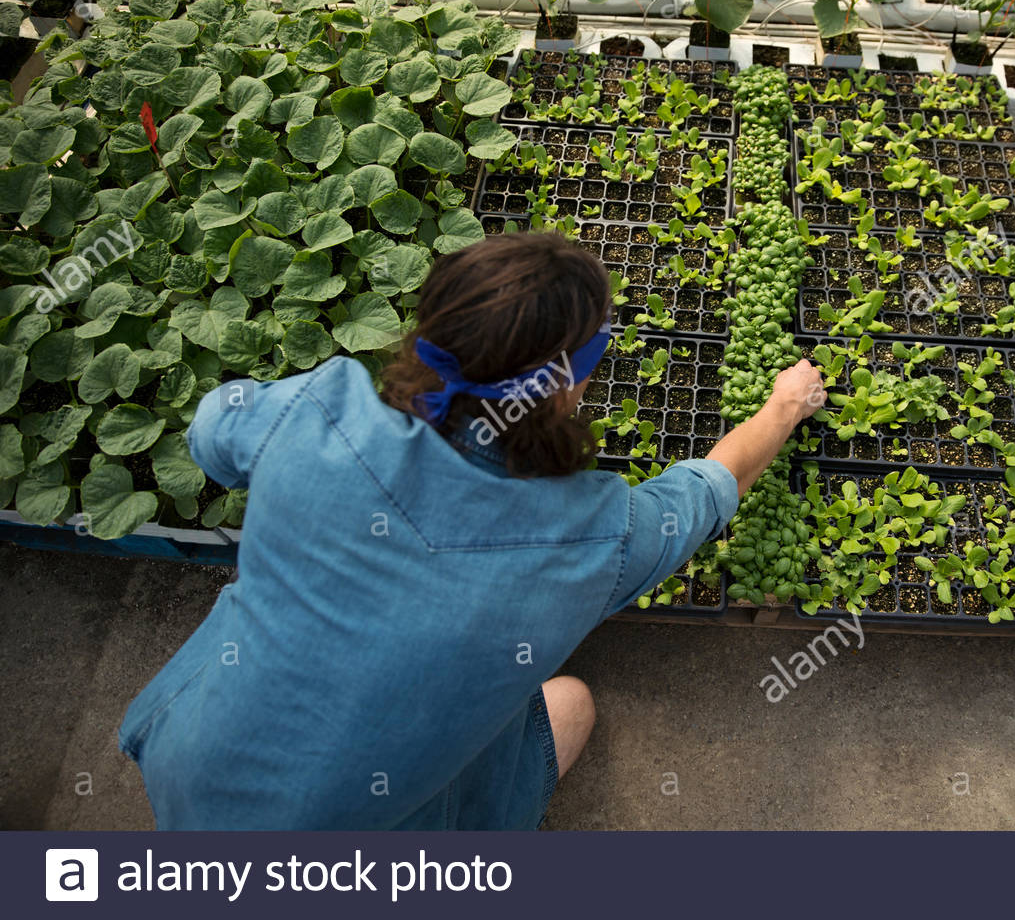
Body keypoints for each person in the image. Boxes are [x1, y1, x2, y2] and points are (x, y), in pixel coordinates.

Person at [118, 232, 826, 829]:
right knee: (570, 705)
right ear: (563, 387)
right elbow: (705, 492)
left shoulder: (315, 412)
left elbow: (213, 431)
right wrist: (784, 407)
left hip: (191, 768)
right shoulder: (595, 537)